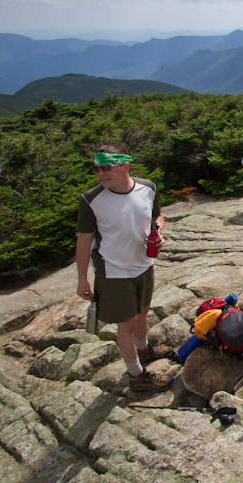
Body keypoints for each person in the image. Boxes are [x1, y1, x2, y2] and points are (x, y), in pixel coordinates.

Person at [76, 145, 174, 392]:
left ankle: (144, 350)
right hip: (114, 271)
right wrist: (82, 279)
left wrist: (158, 231)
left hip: (143, 264)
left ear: (125, 166)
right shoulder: (91, 199)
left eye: (106, 167)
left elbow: (157, 217)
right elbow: (84, 239)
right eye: (97, 168)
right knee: (127, 323)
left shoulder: (148, 188)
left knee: (143, 312)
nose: (100, 173)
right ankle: (136, 375)